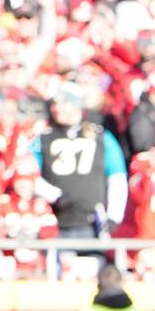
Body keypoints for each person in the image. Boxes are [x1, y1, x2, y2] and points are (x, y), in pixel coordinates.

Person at [31, 83, 128, 244]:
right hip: (53, 222)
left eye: (63, 103)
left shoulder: (100, 136)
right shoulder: (42, 137)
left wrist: (114, 216)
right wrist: (54, 195)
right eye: (55, 103)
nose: (57, 108)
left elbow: (117, 175)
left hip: (92, 223)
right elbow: (27, 173)